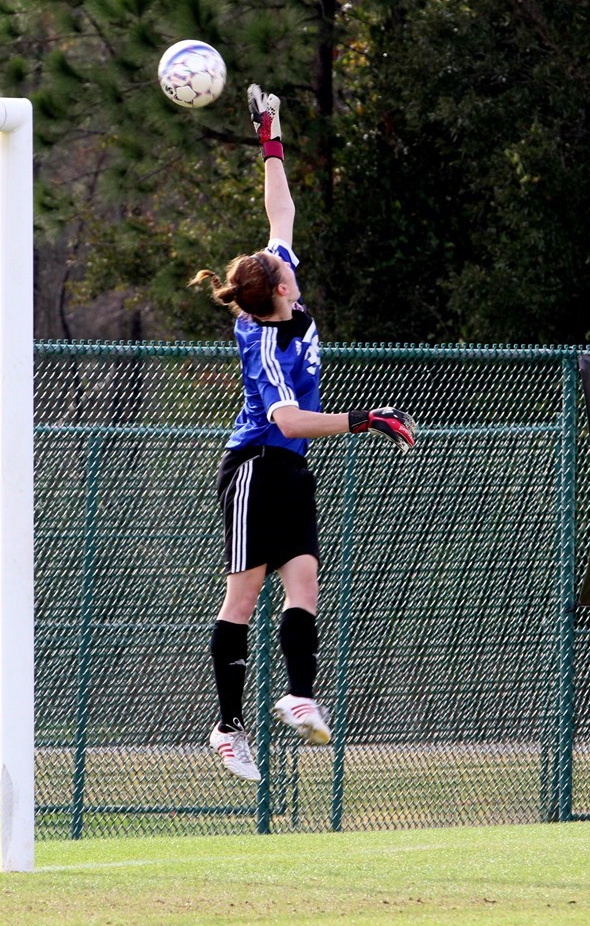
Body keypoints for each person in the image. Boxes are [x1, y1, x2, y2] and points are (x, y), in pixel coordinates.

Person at [188, 84, 417, 782]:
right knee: (244, 596)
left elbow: (280, 207)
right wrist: (365, 418)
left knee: (306, 581)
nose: (287, 259)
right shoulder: (262, 342)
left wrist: (271, 137)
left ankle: (297, 695)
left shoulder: (277, 283)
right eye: (281, 267)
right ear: (277, 294)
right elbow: (286, 420)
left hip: (287, 468)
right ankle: (226, 728)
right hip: (256, 463)